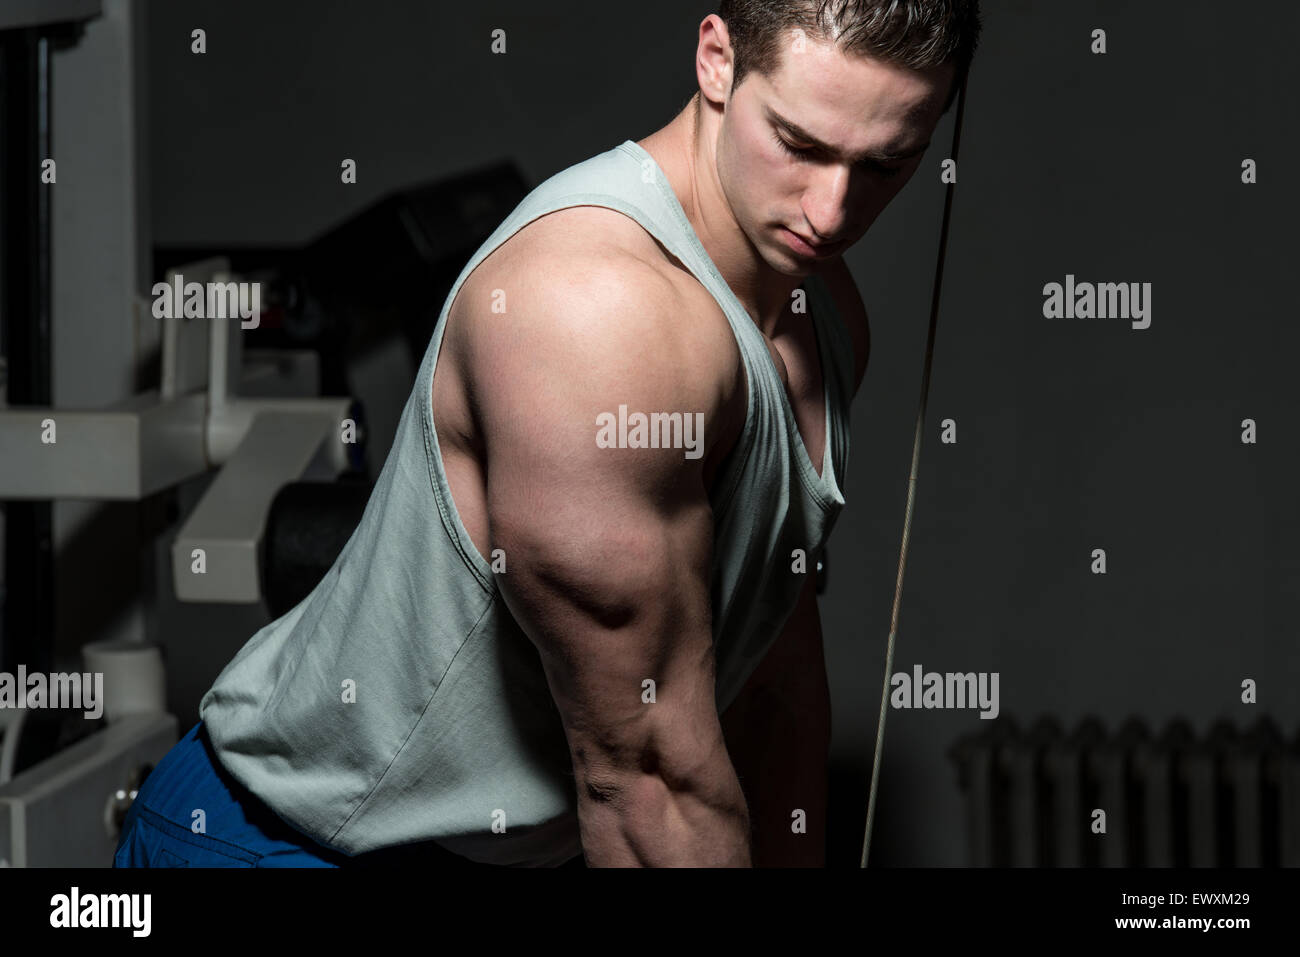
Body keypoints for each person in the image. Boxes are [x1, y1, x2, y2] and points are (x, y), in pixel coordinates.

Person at [115, 0, 981, 869]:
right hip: (279, 845)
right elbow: (647, 782)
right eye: (799, 144)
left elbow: (771, 665)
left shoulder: (823, 304)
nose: (833, 212)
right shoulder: (592, 315)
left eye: (887, 163)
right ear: (717, 60)